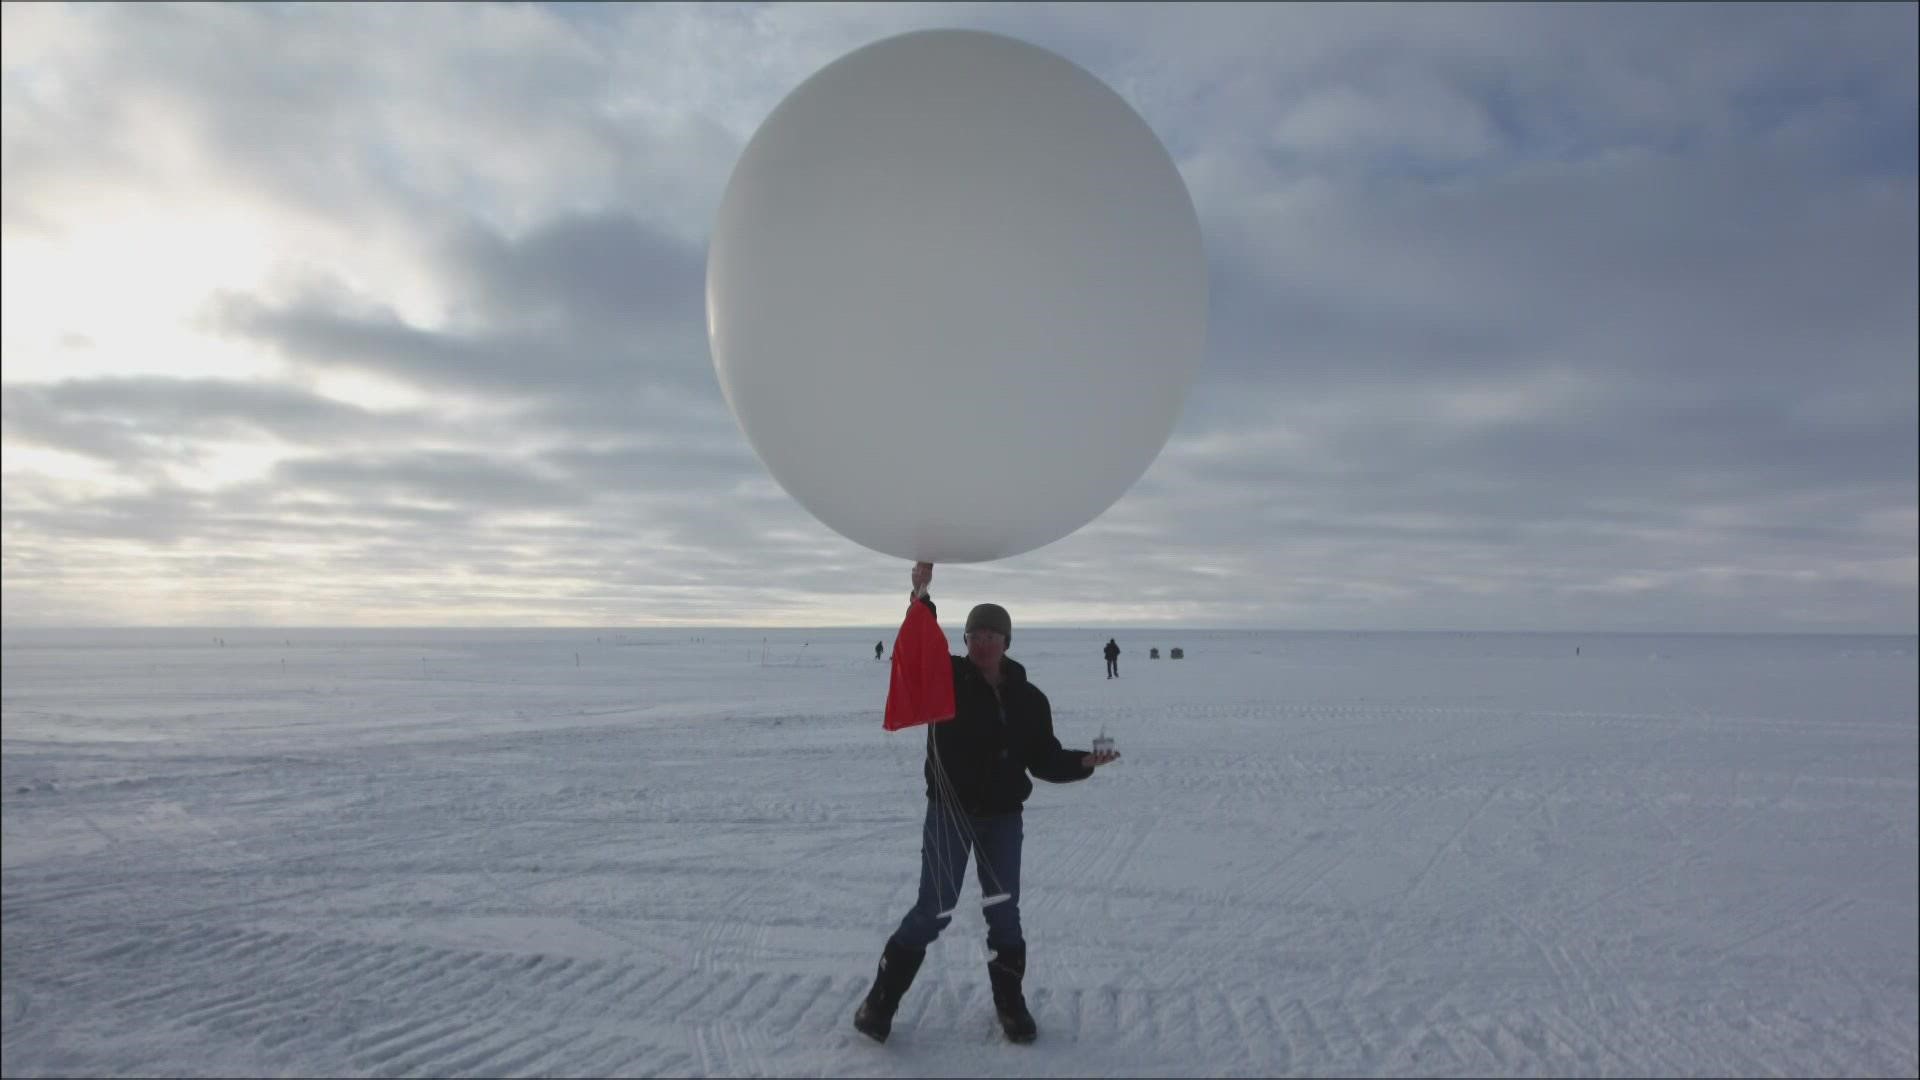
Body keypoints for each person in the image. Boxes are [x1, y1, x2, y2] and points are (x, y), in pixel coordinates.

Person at [854, 561, 1120, 1046]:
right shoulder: (947, 678)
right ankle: (880, 1001)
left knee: (1003, 911)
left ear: (1006, 641)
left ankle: (1010, 1005)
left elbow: (1043, 758)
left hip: (1002, 819)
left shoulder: (1030, 699)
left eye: (992, 635)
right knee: (934, 908)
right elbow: (921, 645)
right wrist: (921, 594)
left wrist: (1084, 761)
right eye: (975, 635)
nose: (983, 643)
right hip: (950, 815)